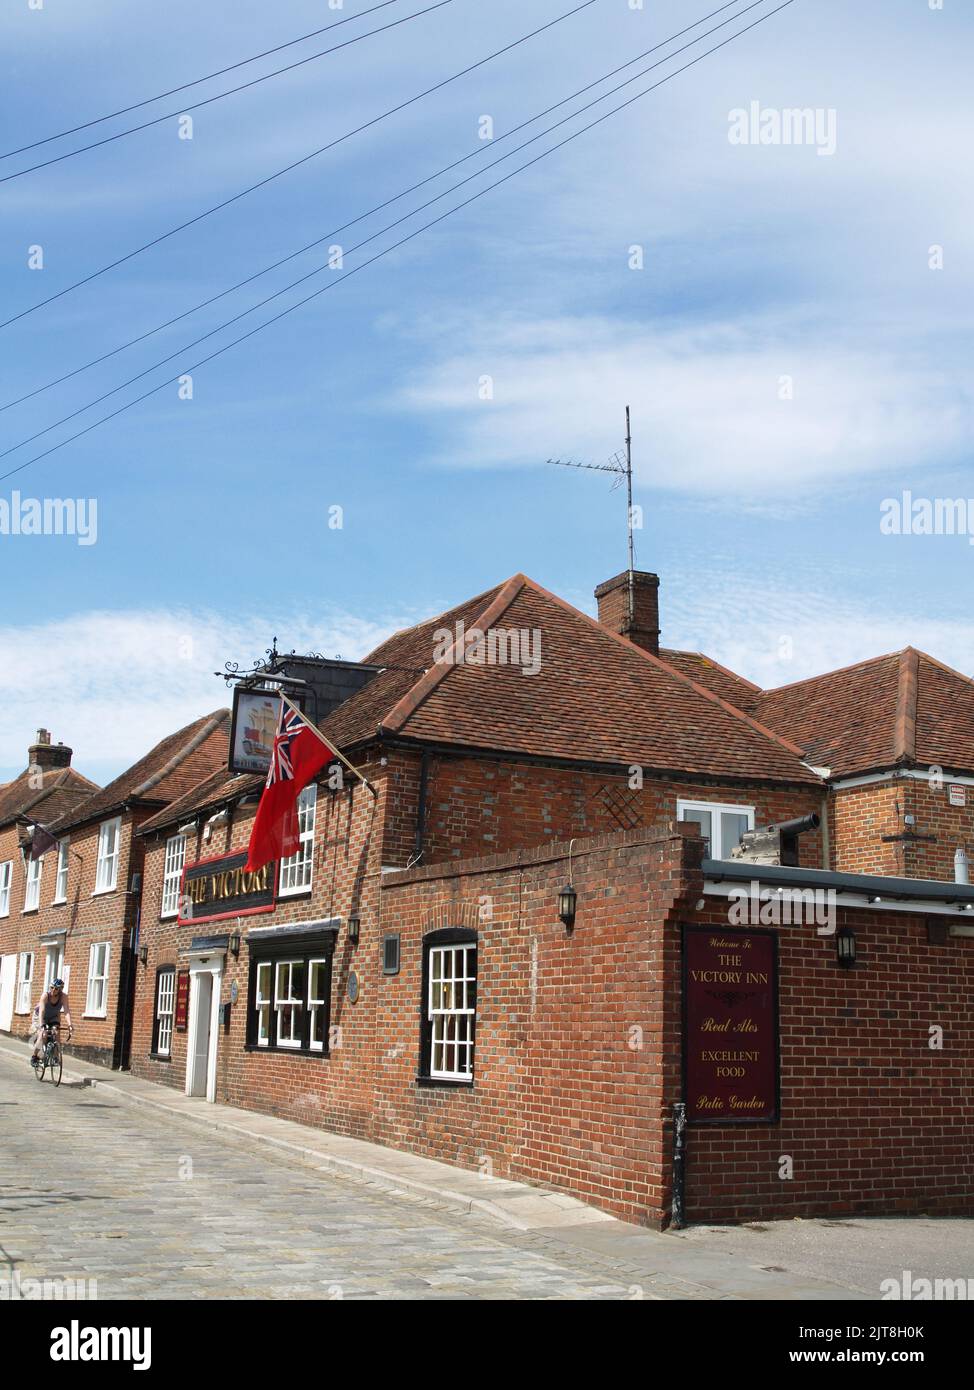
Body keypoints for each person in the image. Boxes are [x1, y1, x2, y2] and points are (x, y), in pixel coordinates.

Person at [31, 978, 72, 1063]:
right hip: (40, 1016)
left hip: (53, 1016)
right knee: (44, 1035)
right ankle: (34, 1056)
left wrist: (70, 1025)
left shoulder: (64, 997)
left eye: (56, 988)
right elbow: (42, 1011)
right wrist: (42, 1025)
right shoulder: (45, 996)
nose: (53, 990)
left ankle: (56, 1057)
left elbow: (66, 1011)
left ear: (60, 990)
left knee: (56, 1032)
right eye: (52, 987)